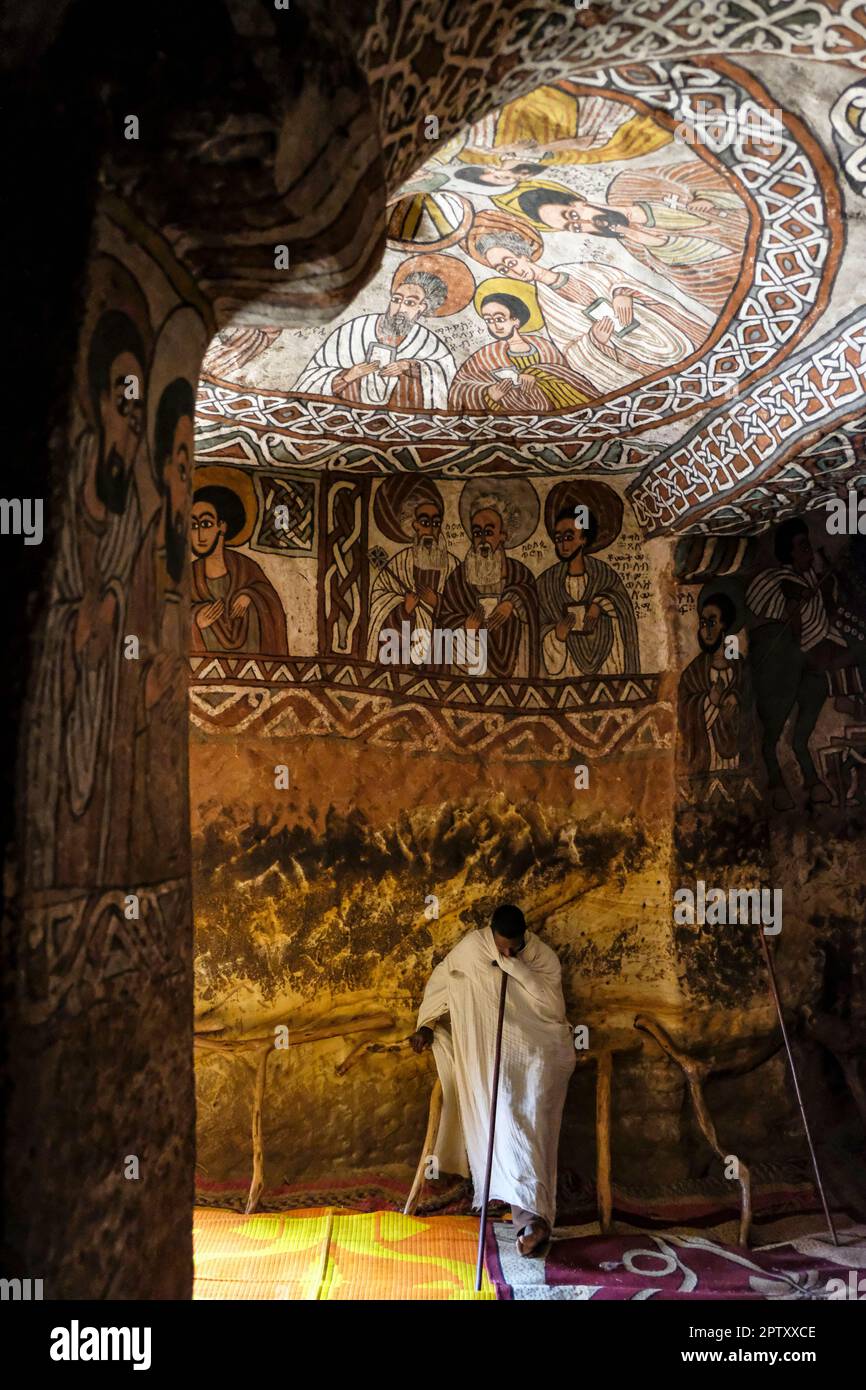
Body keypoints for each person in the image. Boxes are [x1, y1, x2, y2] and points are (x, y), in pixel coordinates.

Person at [410, 904, 575, 1257]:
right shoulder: (472, 949)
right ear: (491, 934)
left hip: (536, 1051)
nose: (506, 951)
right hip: (490, 1055)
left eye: (513, 946)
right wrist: (426, 1023)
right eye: (501, 946)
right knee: (507, 1114)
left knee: (530, 1116)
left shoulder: (541, 957)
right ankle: (530, 1219)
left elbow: (553, 1009)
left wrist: (516, 968)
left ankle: (533, 1215)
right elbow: (444, 979)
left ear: (523, 937)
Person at [293, 264, 459, 408]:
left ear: (422, 307)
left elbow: (445, 374)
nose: (399, 308)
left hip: (403, 422)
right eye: (396, 299)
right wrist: (349, 375)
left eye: (409, 303)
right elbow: (313, 375)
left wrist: (411, 366)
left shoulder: (427, 342)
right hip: (344, 416)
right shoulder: (354, 330)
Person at [448, 288, 592, 412]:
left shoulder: (544, 346)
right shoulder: (485, 354)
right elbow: (460, 386)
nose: (495, 326)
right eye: (489, 320)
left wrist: (537, 376)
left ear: (515, 320)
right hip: (510, 414)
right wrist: (489, 393)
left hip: (555, 408)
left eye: (499, 319)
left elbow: (568, 379)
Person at [539, 507, 639, 675]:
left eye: (569, 537)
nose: (563, 544)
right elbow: (538, 625)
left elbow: (624, 612)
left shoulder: (604, 575)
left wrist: (599, 604)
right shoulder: (546, 582)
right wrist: (556, 636)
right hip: (565, 672)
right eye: (558, 538)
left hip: (608, 665)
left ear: (583, 539)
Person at [190, 485, 289, 654]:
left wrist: (251, 595)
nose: (199, 535)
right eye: (193, 525)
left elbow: (272, 608)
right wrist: (194, 620)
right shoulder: (187, 577)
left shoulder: (246, 569)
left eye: (206, 524)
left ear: (222, 526)